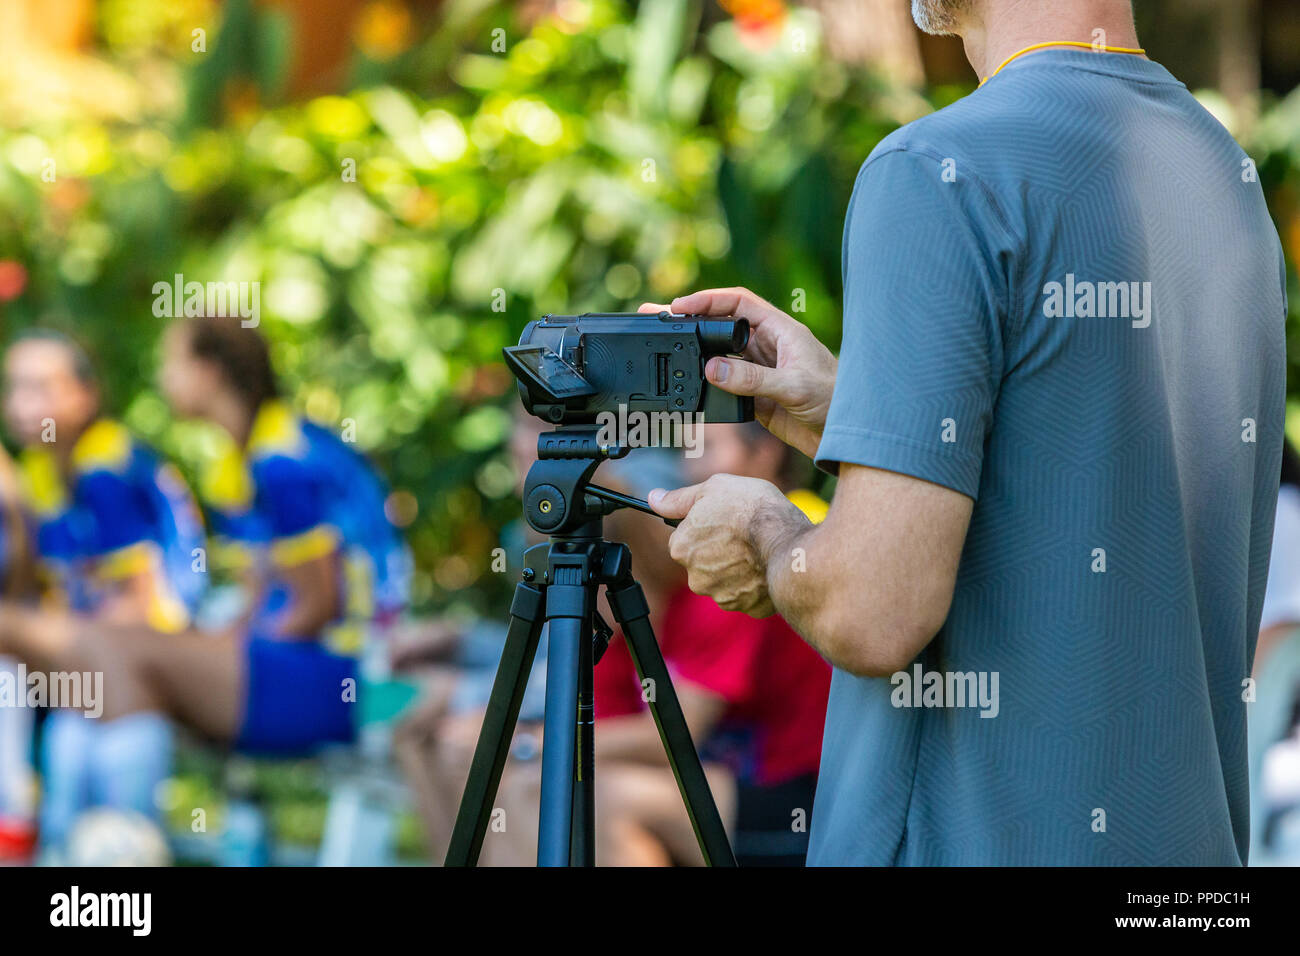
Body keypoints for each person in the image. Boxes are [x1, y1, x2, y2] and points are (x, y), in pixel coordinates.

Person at [644, 0, 1287, 865]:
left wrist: (764, 528)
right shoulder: (1220, 168)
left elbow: (874, 613)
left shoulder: (937, 167)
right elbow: (1089, 488)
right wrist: (861, 415)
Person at [0, 316, 408, 759]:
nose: (162, 377)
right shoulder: (243, 456)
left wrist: (216, 649)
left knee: (112, 661)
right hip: (306, 660)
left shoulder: (280, 459)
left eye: (171, 363)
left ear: (209, 370)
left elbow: (317, 606)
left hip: (354, 672)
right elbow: (264, 595)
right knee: (95, 675)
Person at [2, 330, 207, 853]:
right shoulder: (41, 473)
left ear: (84, 396)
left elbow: (138, 605)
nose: (25, 407)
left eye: (41, 389)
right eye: (15, 389)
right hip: (95, 662)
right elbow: (44, 592)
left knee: (112, 797)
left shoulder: (105, 465)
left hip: (152, 656)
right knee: (67, 766)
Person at [592, 422, 830, 866]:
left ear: (766, 454)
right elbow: (615, 727)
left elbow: (670, 739)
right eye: (686, 449)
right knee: (549, 787)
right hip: (719, 780)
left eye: (707, 448)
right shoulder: (647, 599)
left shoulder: (750, 566)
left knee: (602, 797)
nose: (689, 468)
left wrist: (530, 744)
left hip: (792, 793)